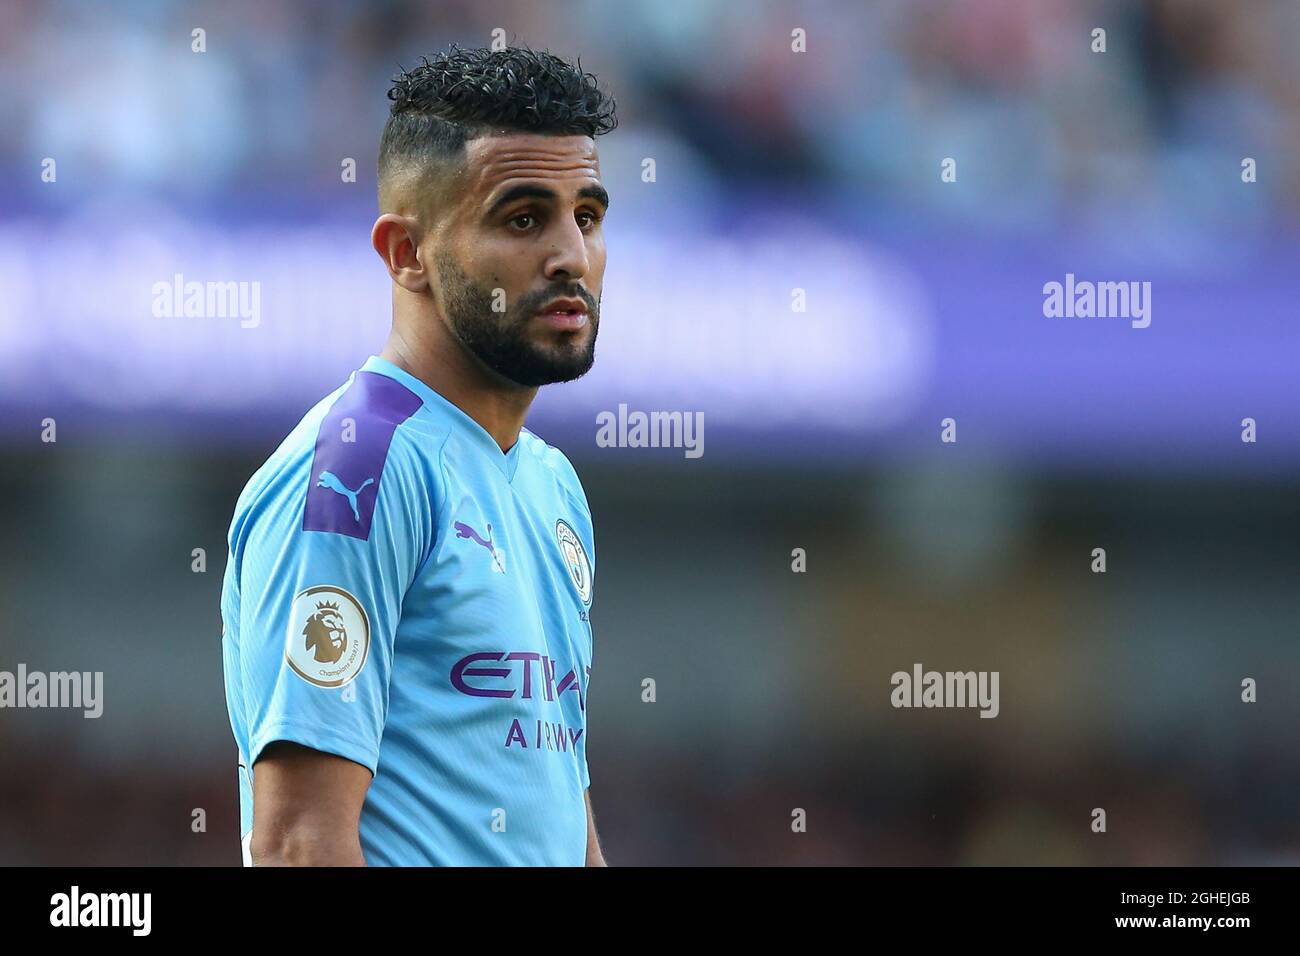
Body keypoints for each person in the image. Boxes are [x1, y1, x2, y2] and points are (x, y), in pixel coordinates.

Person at [219, 45, 616, 865]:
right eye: (522, 217)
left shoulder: (551, 483)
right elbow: (298, 840)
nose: (571, 256)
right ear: (406, 254)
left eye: (587, 215)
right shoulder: (359, 469)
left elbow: (563, 815)